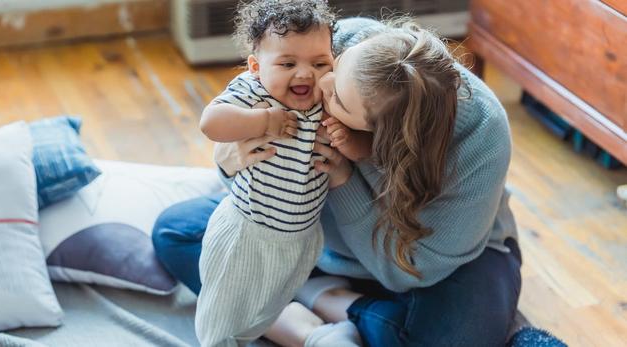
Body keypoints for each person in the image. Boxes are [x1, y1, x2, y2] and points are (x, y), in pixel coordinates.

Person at [153, 16, 522, 347]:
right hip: (305, 232)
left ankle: (333, 302)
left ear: (382, 139)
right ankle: (313, 326)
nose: (321, 82)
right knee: (177, 231)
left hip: (421, 262)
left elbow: (412, 270)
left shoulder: (481, 139)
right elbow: (239, 140)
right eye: (336, 67)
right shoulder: (334, 44)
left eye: (339, 100)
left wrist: (344, 179)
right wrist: (232, 162)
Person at [192, 1, 368, 346]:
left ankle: (290, 331)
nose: (305, 74)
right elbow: (210, 123)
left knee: (266, 310)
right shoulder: (253, 90)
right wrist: (259, 120)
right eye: (287, 63)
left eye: (319, 63)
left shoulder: (329, 97)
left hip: (302, 239)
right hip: (247, 232)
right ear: (256, 67)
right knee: (223, 312)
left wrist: (350, 142)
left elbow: (369, 148)